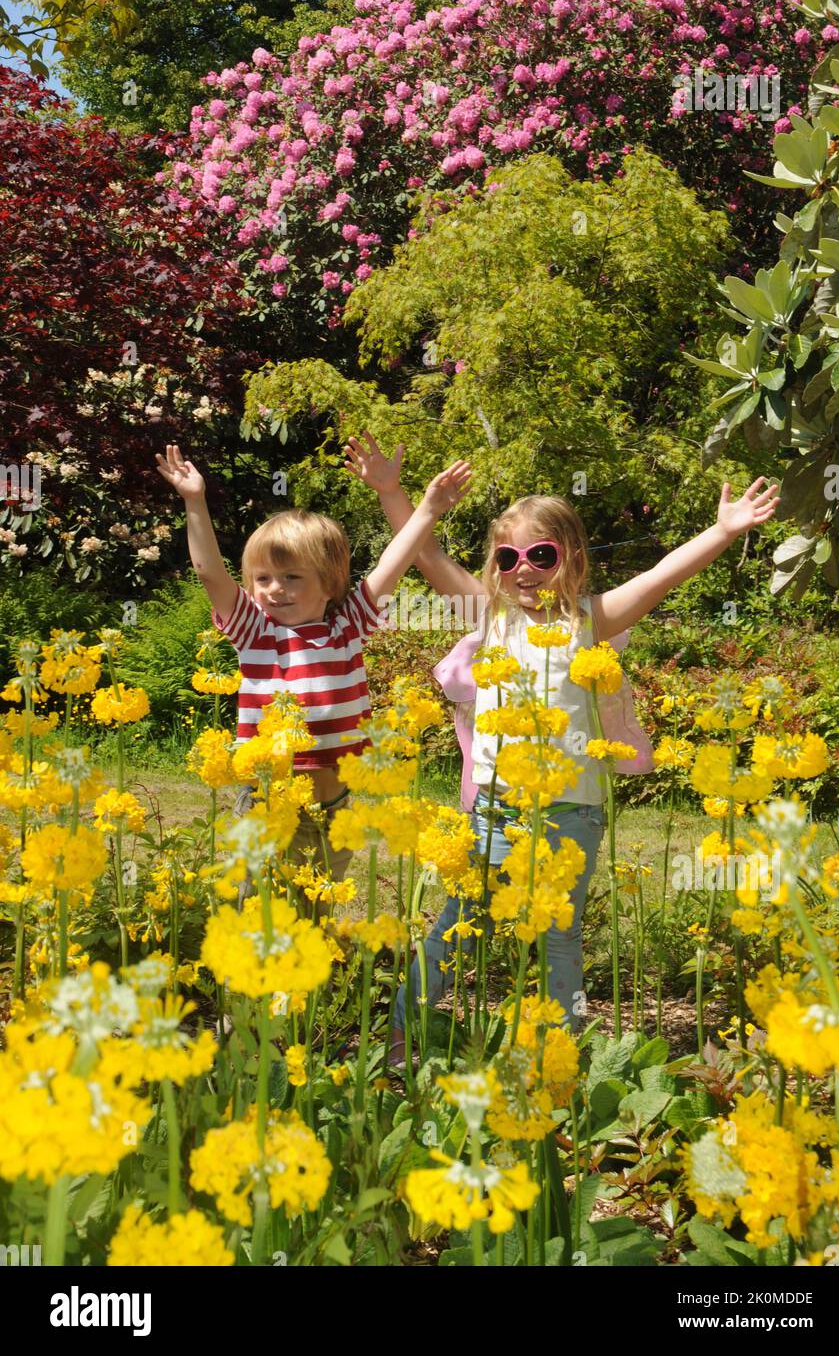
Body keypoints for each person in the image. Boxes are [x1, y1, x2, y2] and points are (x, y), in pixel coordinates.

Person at [345, 429, 779, 1058]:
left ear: (571, 557)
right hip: (494, 807)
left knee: (559, 936)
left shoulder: (591, 620)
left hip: (572, 810)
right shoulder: (488, 617)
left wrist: (723, 531)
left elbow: (660, 576)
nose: (523, 570)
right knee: (454, 927)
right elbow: (427, 556)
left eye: (541, 555)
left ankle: (562, 1048)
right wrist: (394, 491)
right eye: (507, 558)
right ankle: (395, 1037)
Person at [156, 441, 472, 886]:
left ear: (328, 585)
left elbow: (393, 563)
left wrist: (428, 508)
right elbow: (210, 572)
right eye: (262, 578)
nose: (273, 589)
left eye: (292, 577)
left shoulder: (348, 626)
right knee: (256, 911)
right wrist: (195, 500)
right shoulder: (255, 631)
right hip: (270, 799)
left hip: (337, 805)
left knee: (317, 910)